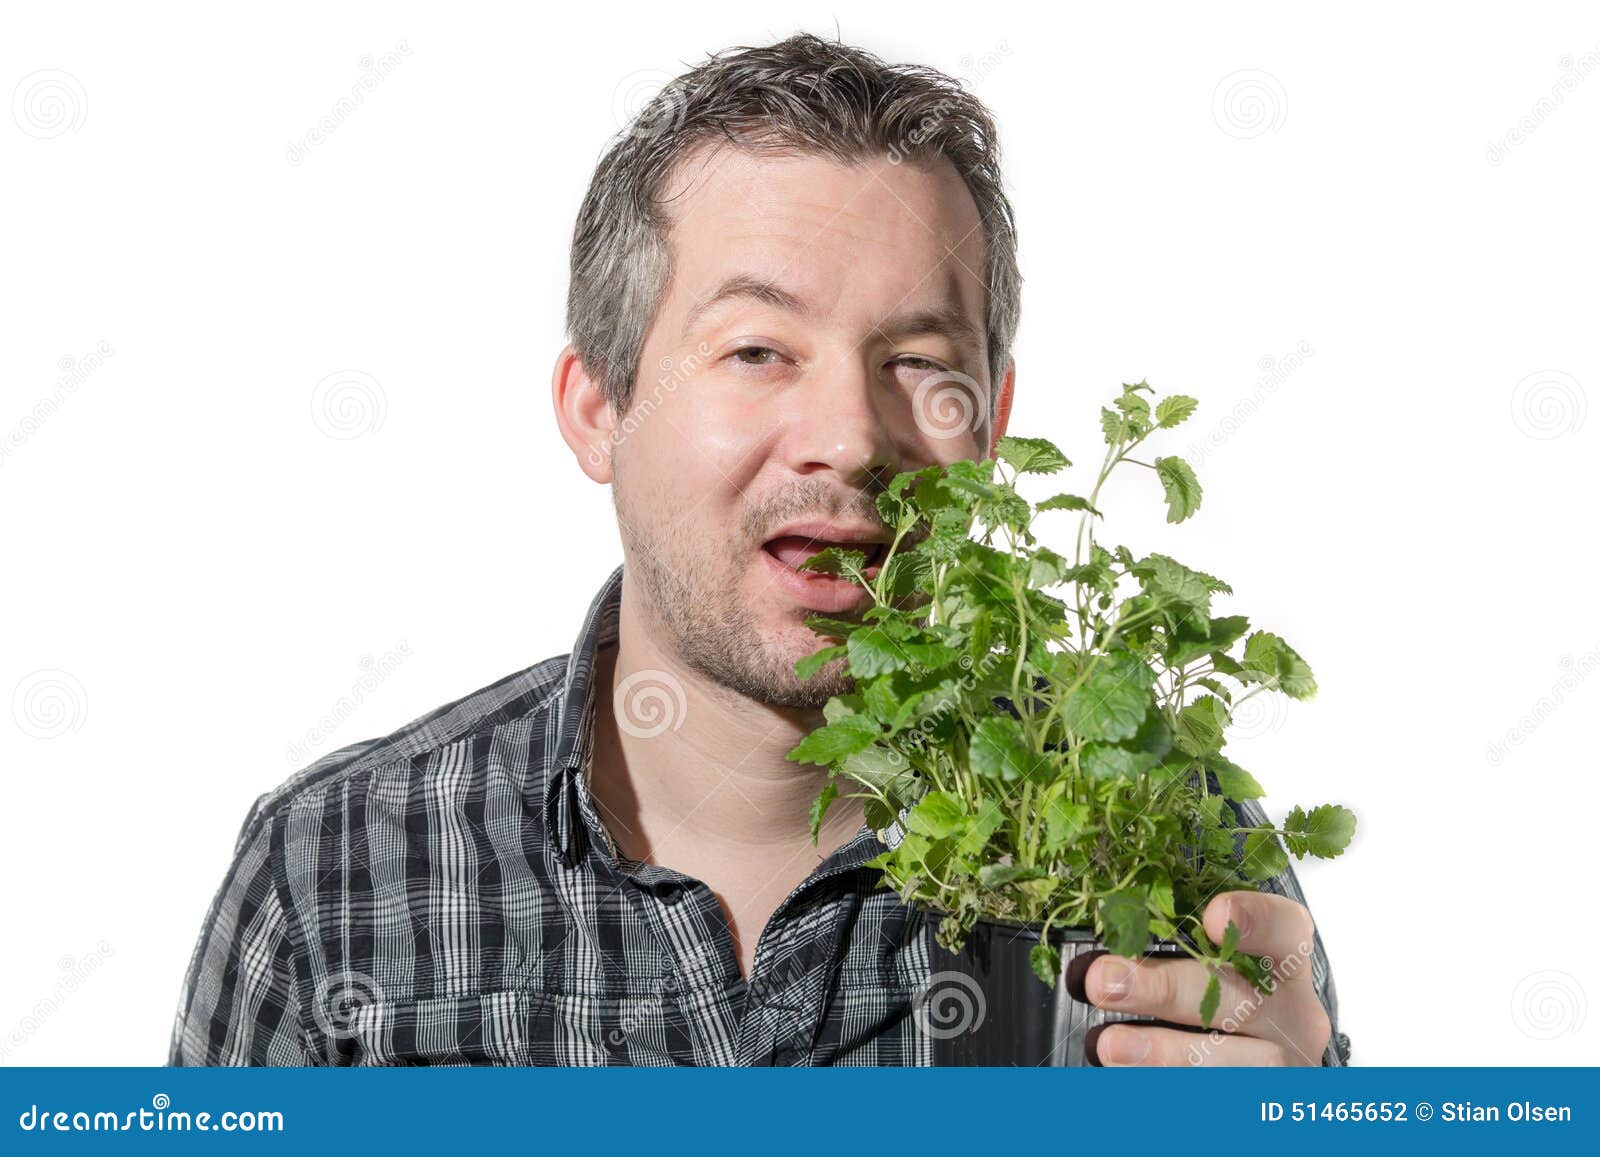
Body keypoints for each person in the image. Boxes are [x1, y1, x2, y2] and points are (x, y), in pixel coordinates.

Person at [169, 31, 1349, 1067]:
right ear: (597, 408)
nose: (847, 436)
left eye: (917, 363)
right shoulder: (334, 868)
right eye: (757, 350)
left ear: (987, 430)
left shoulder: (1156, 833)